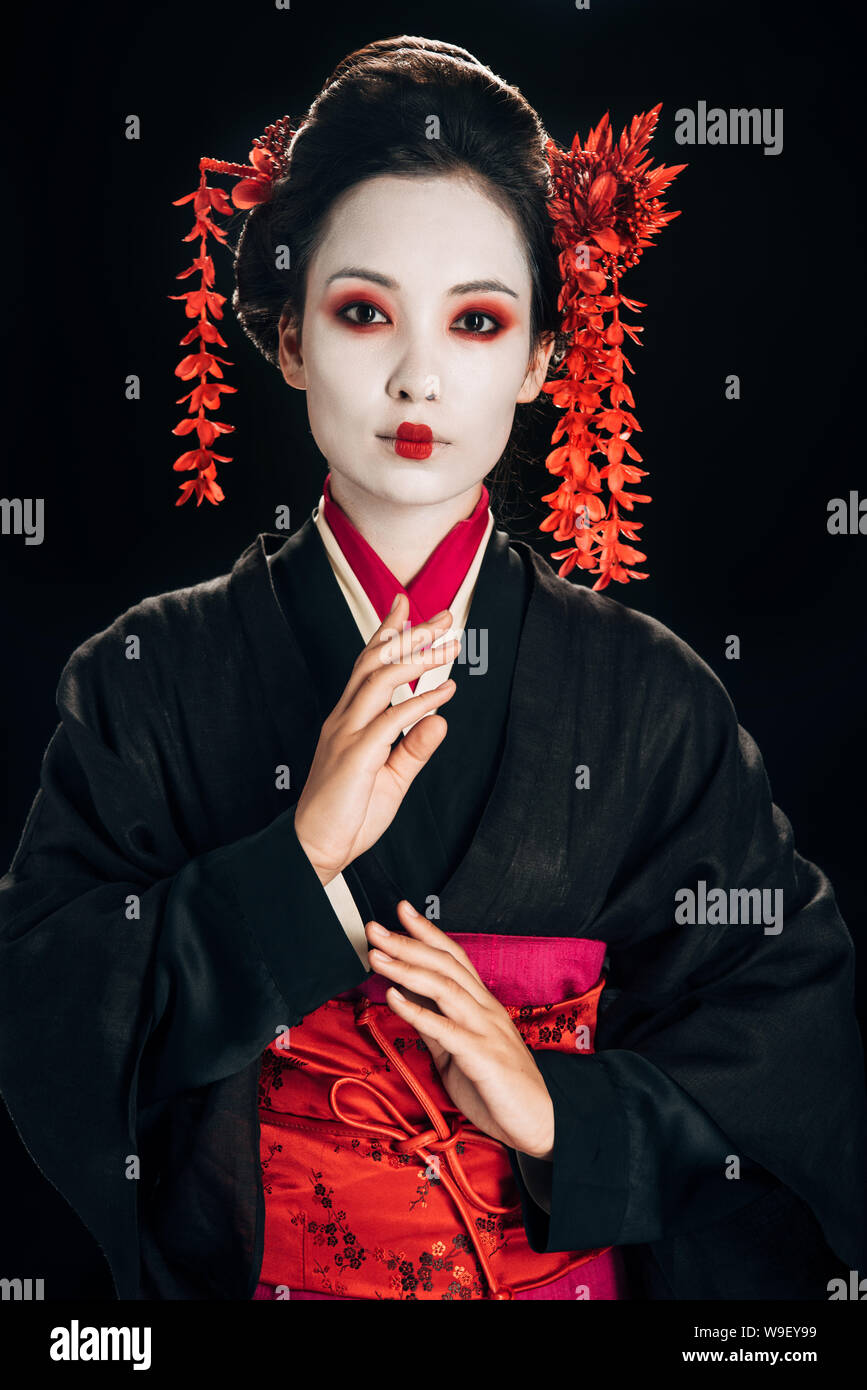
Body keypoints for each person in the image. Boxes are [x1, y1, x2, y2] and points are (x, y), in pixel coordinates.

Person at [1, 34, 864, 1302]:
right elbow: (36, 1021)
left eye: (477, 320)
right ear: (286, 338)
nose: (417, 375)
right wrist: (291, 868)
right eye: (362, 312)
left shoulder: (650, 698)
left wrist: (565, 1109)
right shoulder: (144, 679)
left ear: (540, 359)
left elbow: (791, 1040)